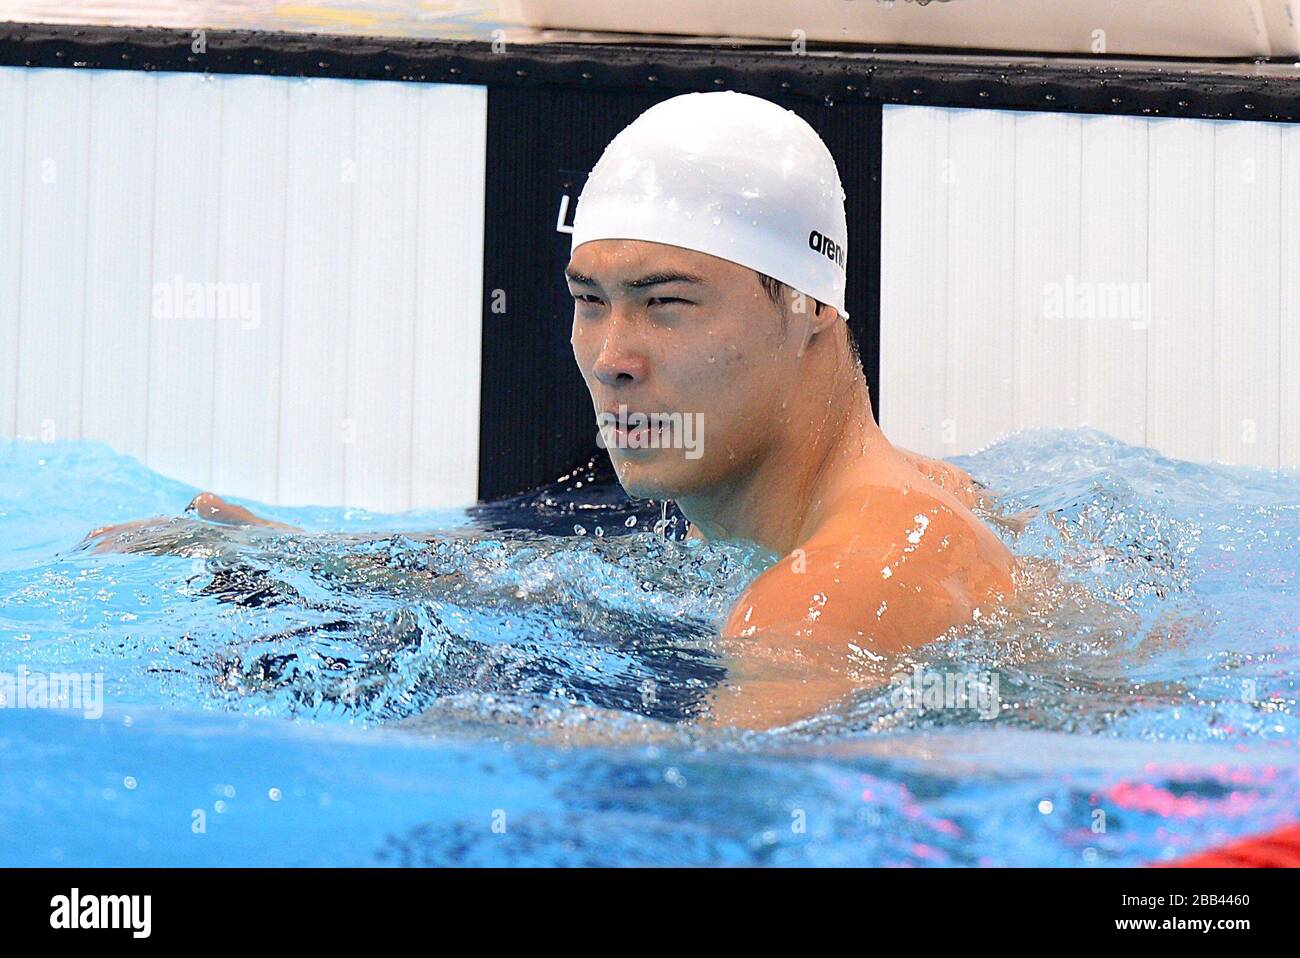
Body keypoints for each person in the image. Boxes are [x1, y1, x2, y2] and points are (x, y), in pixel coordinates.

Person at [86, 91, 1019, 730]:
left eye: (668, 301)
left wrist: (449, 715)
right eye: (589, 299)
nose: (613, 358)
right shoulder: (892, 507)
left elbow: (715, 827)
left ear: (807, 305)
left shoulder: (838, 592)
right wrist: (318, 568)